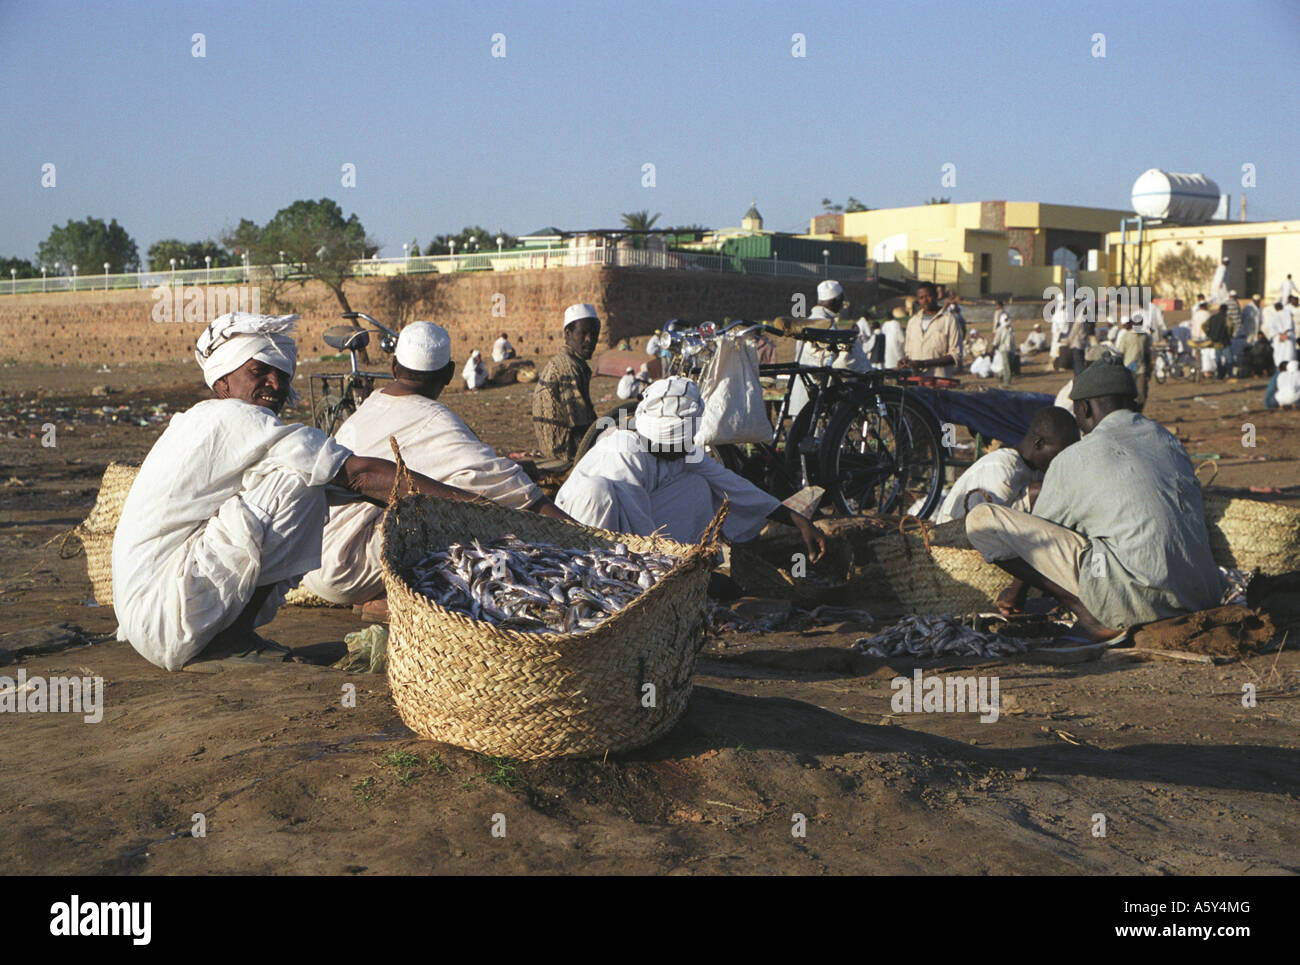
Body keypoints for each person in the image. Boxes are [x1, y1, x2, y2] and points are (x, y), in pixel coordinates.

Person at [113, 313, 480, 672]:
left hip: (150, 620)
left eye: (282, 375)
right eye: (259, 372)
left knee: (311, 477)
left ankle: (228, 635)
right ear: (223, 382)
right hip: (165, 616)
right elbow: (359, 475)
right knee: (302, 480)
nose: (276, 384)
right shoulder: (233, 419)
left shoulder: (204, 421)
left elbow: (362, 485)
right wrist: (478, 510)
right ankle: (232, 640)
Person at [299, 322, 571, 606]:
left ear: (393, 367)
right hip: (347, 566)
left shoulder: (371, 404)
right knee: (467, 501)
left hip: (309, 556)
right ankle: (400, 598)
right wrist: (586, 538)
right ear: (451, 373)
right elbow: (515, 490)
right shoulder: (437, 420)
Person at [965, 356, 1225, 642]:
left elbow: (1043, 541)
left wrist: (1016, 590)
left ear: (1083, 408)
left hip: (1133, 601)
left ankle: (1088, 615)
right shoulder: (1167, 440)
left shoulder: (1076, 456)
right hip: (1200, 594)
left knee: (981, 520)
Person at [556, 377, 826, 560]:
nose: (680, 450)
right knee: (597, 490)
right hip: (582, 540)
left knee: (698, 487)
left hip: (636, 533)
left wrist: (796, 519)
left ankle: (686, 565)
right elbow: (638, 533)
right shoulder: (624, 452)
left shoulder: (681, 452)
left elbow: (730, 483)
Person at [933, 406, 1079, 524]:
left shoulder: (1036, 469)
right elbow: (982, 527)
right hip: (957, 546)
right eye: (1060, 453)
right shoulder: (1002, 471)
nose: (1063, 460)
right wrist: (1031, 498)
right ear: (1038, 444)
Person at [532, 303, 600, 467]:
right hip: (565, 453)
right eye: (583, 333)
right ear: (568, 334)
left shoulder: (568, 363)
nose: (589, 339)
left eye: (593, 334)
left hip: (557, 448)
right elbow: (582, 427)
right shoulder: (569, 368)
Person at [790, 279, 843, 416]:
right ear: (835, 300)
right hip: (813, 391)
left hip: (803, 390)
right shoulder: (824, 323)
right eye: (841, 300)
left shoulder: (810, 320)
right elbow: (836, 357)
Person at [901, 281, 962, 377]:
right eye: (921, 298)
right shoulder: (913, 322)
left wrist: (923, 364)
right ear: (918, 300)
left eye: (928, 296)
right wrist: (904, 362)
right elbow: (908, 353)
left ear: (936, 295)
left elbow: (955, 355)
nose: (925, 300)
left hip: (938, 381)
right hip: (916, 381)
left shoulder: (949, 319)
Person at [1116, 315, 1153, 409]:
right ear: (1132, 324)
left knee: (1142, 394)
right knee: (1128, 393)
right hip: (1129, 367)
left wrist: (1149, 370)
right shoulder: (1126, 336)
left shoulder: (1144, 337)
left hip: (1141, 369)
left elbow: (1147, 354)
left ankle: (1138, 411)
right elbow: (1121, 353)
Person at [1269, 299, 1296, 370]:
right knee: (1287, 354)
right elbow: (1289, 325)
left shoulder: (1274, 315)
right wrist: (1283, 334)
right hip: (1285, 336)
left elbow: (1272, 329)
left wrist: (1281, 335)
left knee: (1281, 354)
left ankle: (1280, 369)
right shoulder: (1287, 313)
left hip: (1281, 337)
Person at [1206, 304, 1231, 379]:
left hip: (1215, 341)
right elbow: (1230, 327)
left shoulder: (1212, 317)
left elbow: (1204, 326)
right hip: (1224, 341)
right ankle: (1230, 374)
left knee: (1218, 358)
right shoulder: (1226, 318)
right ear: (1226, 310)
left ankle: (1219, 375)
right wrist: (1229, 335)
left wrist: (1209, 334)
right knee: (1228, 358)